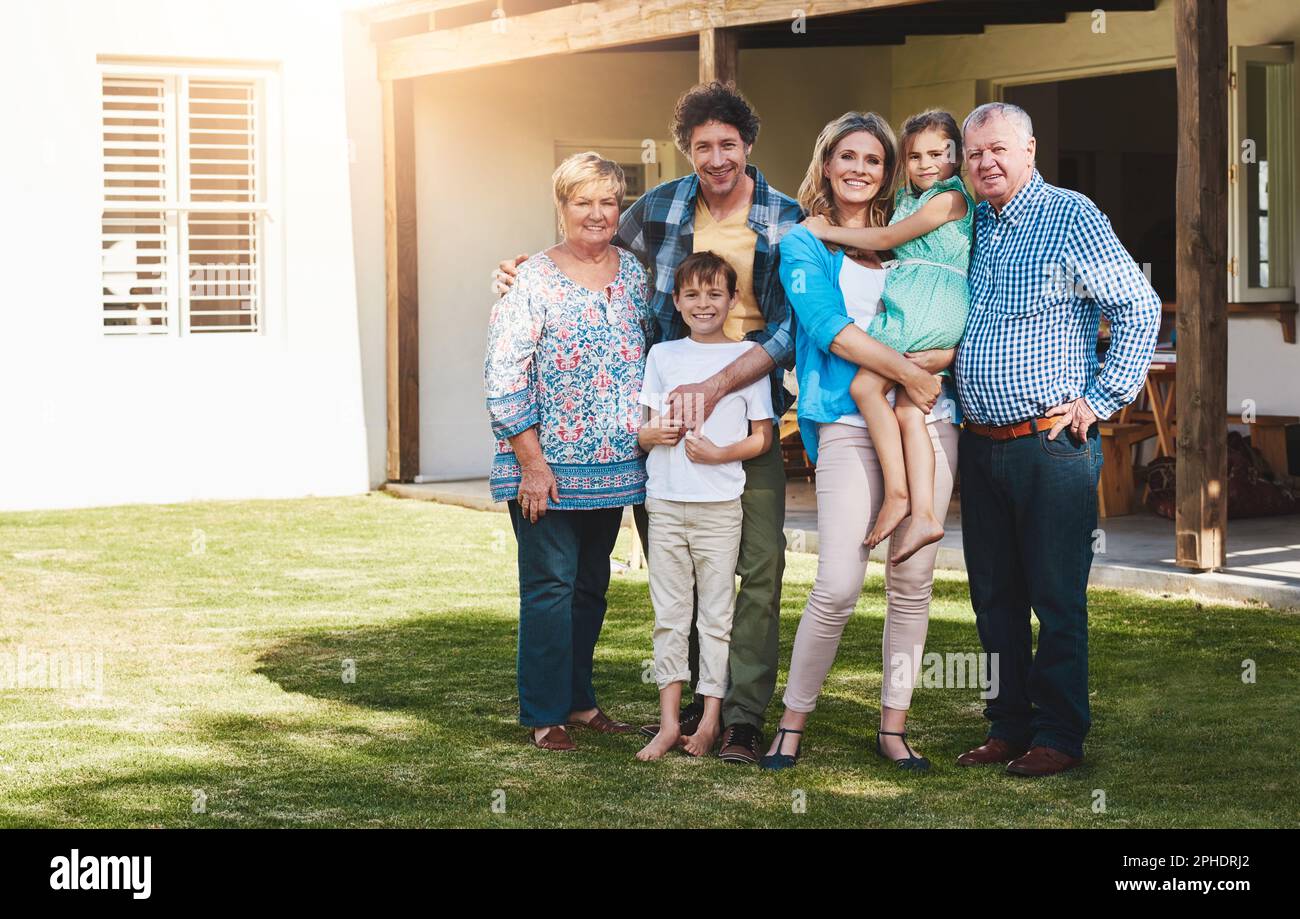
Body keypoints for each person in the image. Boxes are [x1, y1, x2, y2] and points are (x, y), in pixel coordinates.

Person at [494, 82, 802, 765]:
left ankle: (741, 716)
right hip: (659, 432)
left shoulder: (786, 217)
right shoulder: (660, 207)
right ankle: (690, 704)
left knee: (755, 567)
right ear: (686, 152)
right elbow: (587, 242)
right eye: (701, 148)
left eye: (728, 145)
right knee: (677, 571)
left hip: (741, 412)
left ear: (747, 145)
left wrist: (725, 379)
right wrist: (524, 269)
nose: (716, 159)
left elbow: (793, 323)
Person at [954, 102, 1160, 777]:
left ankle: (1059, 733)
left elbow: (1138, 304)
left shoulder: (1069, 216)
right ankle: (1007, 724)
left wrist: (1102, 397)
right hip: (980, 443)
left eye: (999, 149)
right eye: (975, 150)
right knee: (993, 596)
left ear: (1030, 149)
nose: (986, 161)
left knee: (1055, 595)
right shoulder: (971, 222)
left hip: (1051, 444)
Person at [761, 112, 953, 773]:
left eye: (873, 159)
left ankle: (893, 726)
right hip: (846, 420)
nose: (860, 169)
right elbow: (828, 329)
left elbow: (967, 306)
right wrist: (906, 371)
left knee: (913, 576)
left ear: (888, 170)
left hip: (929, 414)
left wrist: (933, 368)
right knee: (839, 582)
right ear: (827, 161)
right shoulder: (806, 242)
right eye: (848, 156)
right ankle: (792, 720)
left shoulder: (917, 233)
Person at [483, 152, 650, 751]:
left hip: (613, 471)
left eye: (608, 201)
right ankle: (544, 713)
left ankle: (579, 701)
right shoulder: (530, 278)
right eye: (584, 201)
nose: (598, 213)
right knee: (550, 586)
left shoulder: (635, 274)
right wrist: (531, 462)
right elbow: (504, 374)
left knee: (589, 587)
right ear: (562, 208)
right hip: (546, 468)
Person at [802, 109, 973, 565]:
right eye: (914, 156)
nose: (925, 164)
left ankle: (900, 496)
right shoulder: (912, 198)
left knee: (864, 386)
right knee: (907, 409)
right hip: (917, 304)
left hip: (929, 307)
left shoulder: (950, 200)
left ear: (957, 157)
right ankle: (921, 512)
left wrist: (825, 230)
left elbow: (892, 237)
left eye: (937, 154)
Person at [635, 251, 773, 761]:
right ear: (676, 301)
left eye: (715, 294)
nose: (703, 303)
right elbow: (644, 433)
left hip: (719, 507)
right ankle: (670, 723)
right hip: (665, 503)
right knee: (670, 615)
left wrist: (719, 452)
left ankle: (712, 718)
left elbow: (762, 438)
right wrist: (655, 434)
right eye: (692, 294)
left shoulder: (745, 361)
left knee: (716, 616)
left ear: (733, 299)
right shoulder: (662, 356)